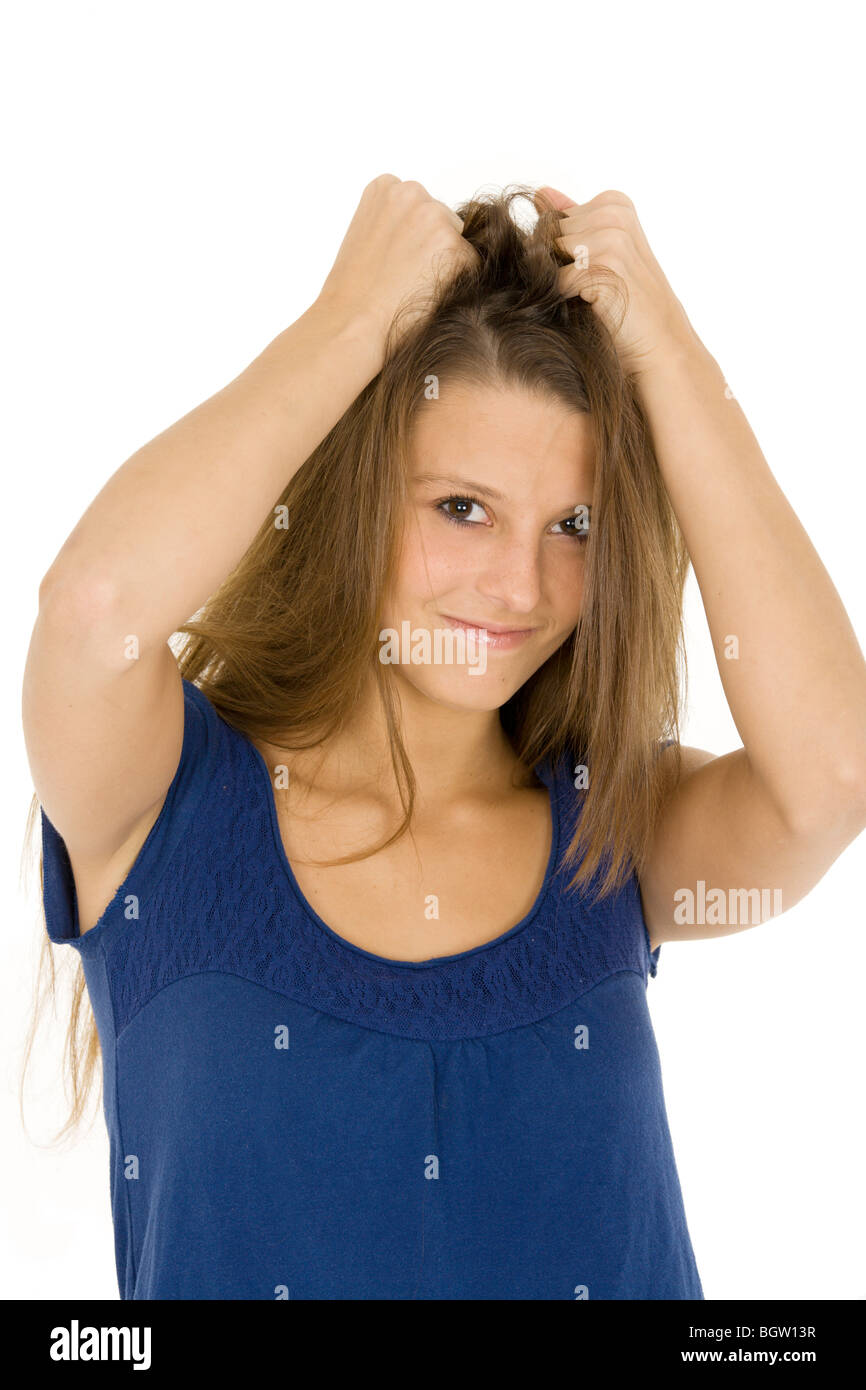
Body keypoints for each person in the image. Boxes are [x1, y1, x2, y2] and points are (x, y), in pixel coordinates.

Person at [21, 175, 866, 1300]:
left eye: (571, 526)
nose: (517, 585)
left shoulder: (614, 827)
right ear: (356, 494)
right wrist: (349, 323)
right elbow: (92, 609)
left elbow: (834, 773)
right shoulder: (160, 804)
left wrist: (669, 360)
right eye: (460, 508)